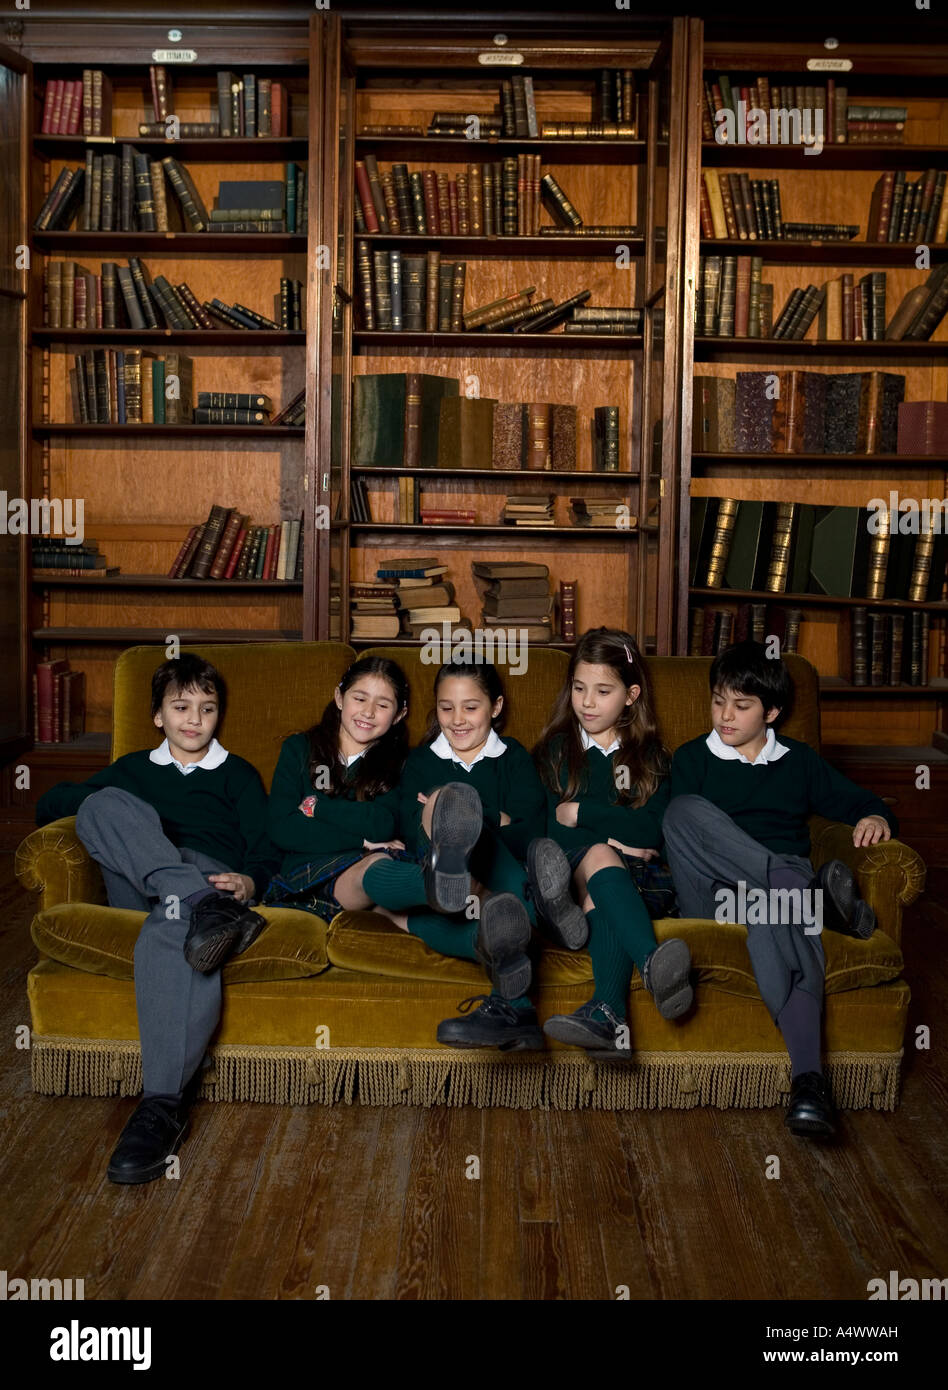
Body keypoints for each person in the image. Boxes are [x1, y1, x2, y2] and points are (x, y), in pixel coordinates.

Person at [35, 654, 277, 1184]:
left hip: (209, 881)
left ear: (219, 716)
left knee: (176, 922)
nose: (194, 719)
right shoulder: (132, 771)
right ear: (157, 716)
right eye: (181, 706)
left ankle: (161, 1107)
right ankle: (199, 902)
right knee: (103, 804)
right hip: (147, 885)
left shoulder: (236, 774)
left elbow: (265, 848)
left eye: (207, 709)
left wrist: (249, 883)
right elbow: (51, 802)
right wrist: (121, 810)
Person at [662, 640, 896, 1138]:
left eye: (741, 706)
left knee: (777, 923)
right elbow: (683, 835)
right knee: (682, 812)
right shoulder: (691, 759)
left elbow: (861, 801)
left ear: (771, 712)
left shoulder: (799, 761)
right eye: (718, 701)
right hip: (711, 891)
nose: (725, 715)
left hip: (770, 901)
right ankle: (807, 894)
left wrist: (875, 815)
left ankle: (809, 1084)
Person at [362, 659, 548, 1051]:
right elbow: (413, 833)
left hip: (497, 879)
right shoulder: (421, 761)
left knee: (454, 808)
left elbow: (530, 830)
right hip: (440, 884)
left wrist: (475, 820)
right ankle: (482, 894)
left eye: (471, 707)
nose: (457, 720)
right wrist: (490, 815)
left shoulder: (513, 757)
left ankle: (513, 1005)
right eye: (446, 708)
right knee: (440, 813)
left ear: (495, 707)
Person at [528, 628, 693, 1059]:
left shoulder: (652, 758)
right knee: (600, 856)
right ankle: (651, 962)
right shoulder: (555, 752)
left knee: (602, 872)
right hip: (563, 883)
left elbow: (651, 833)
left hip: (640, 884)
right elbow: (553, 835)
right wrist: (618, 837)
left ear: (631, 694)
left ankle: (608, 1014)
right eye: (579, 688)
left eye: (603, 691)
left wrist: (584, 813)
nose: (587, 702)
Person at [264, 656, 411, 922]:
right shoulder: (299, 749)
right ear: (340, 698)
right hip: (302, 876)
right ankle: (436, 894)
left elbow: (381, 825)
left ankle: (446, 897)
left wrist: (318, 807)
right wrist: (363, 842)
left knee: (382, 868)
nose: (368, 712)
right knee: (379, 864)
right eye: (359, 698)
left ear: (399, 714)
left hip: (359, 877)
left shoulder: (398, 764)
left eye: (383, 705)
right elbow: (283, 827)